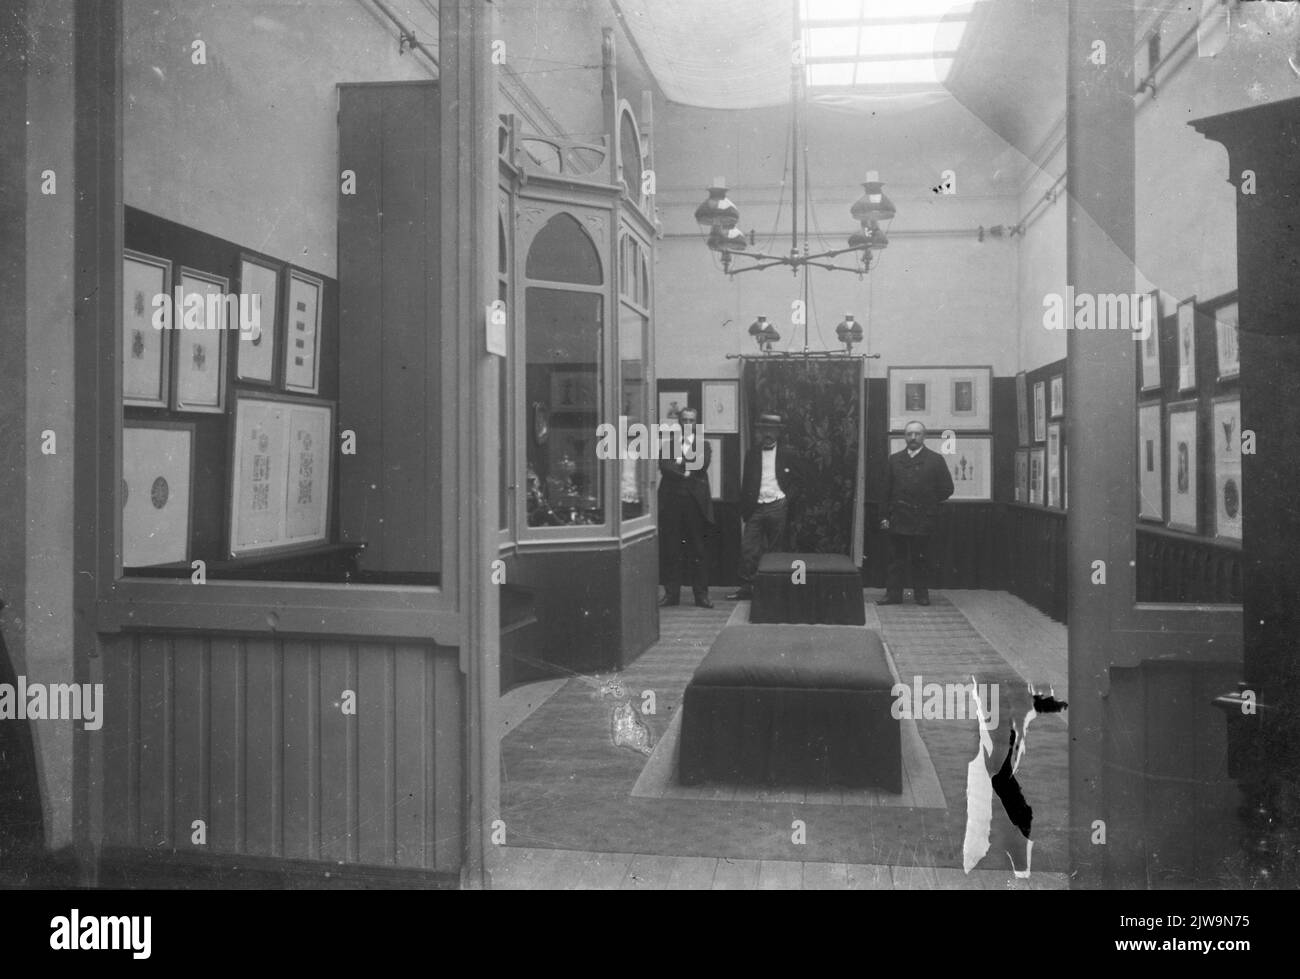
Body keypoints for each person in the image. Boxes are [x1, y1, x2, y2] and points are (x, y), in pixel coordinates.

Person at [727, 411, 805, 601]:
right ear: (760, 431)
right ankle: (747, 588)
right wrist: (745, 508)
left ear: (778, 433)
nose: (768, 434)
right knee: (748, 549)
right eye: (764, 430)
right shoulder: (752, 453)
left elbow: (800, 480)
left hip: (778, 505)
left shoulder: (788, 453)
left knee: (775, 550)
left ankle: (773, 590)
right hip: (756, 507)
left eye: (772, 430)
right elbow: (746, 483)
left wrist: (786, 498)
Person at [879, 420, 954, 606]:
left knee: (921, 559)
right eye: (909, 434)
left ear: (924, 436)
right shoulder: (894, 460)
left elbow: (947, 489)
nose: (913, 437)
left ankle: (921, 595)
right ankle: (893, 595)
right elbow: (885, 491)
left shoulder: (935, 460)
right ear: (905, 436)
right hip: (899, 518)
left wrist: (928, 502)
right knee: (896, 560)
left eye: (917, 434)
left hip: (923, 520)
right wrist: (883, 517)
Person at [657, 407, 714, 608]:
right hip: (671, 502)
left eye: (691, 420)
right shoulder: (668, 445)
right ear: (679, 423)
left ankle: (701, 596)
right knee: (671, 549)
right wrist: (685, 472)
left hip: (695, 504)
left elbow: (701, 464)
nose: (688, 423)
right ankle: (672, 595)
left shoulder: (704, 445)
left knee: (698, 550)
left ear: (695, 423)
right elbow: (664, 465)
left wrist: (679, 464)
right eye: (684, 420)